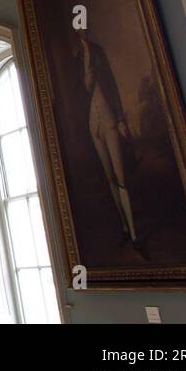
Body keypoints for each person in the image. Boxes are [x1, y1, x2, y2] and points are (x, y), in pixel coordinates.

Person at [71, 27, 141, 252]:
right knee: (110, 177)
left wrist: (120, 118)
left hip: (109, 117)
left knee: (121, 178)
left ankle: (134, 234)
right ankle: (123, 228)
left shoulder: (98, 52)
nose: (81, 30)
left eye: (83, 26)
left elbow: (110, 83)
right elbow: (82, 91)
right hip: (94, 124)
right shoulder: (77, 59)